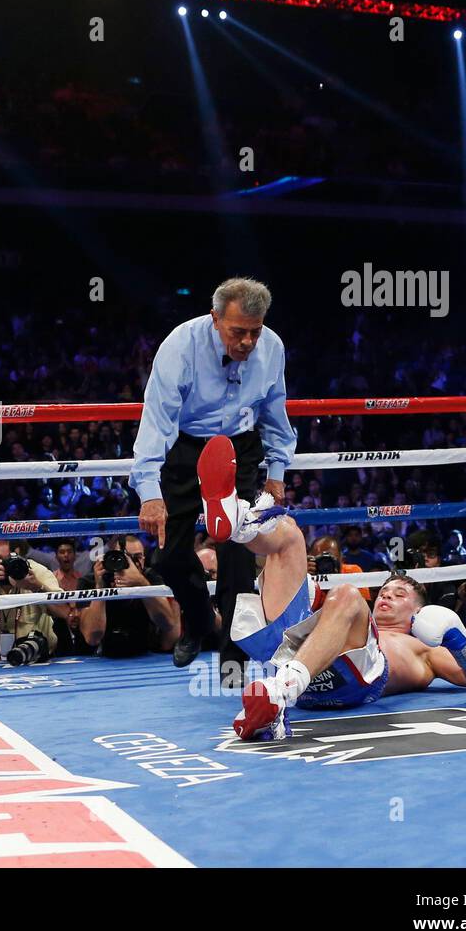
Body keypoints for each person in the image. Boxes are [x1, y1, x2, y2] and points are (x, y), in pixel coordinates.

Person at [195, 436, 466, 741]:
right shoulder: (348, 620)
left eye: (399, 594)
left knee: (349, 595)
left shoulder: (424, 649)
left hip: (356, 682)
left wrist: (458, 640)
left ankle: (282, 689)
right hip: (291, 662)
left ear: (419, 612)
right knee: (287, 533)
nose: (387, 596)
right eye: (386, 591)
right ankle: (237, 527)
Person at [131, 277, 296, 672]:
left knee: (237, 555)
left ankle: (233, 658)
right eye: (238, 332)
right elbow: (156, 419)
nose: (247, 342)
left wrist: (276, 470)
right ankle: (200, 618)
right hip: (185, 448)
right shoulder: (181, 345)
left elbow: (275, 411)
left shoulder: (271, 347)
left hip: (239, 448)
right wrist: (149, 491)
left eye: (254, 332)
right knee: (169, 557)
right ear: (215, 318)